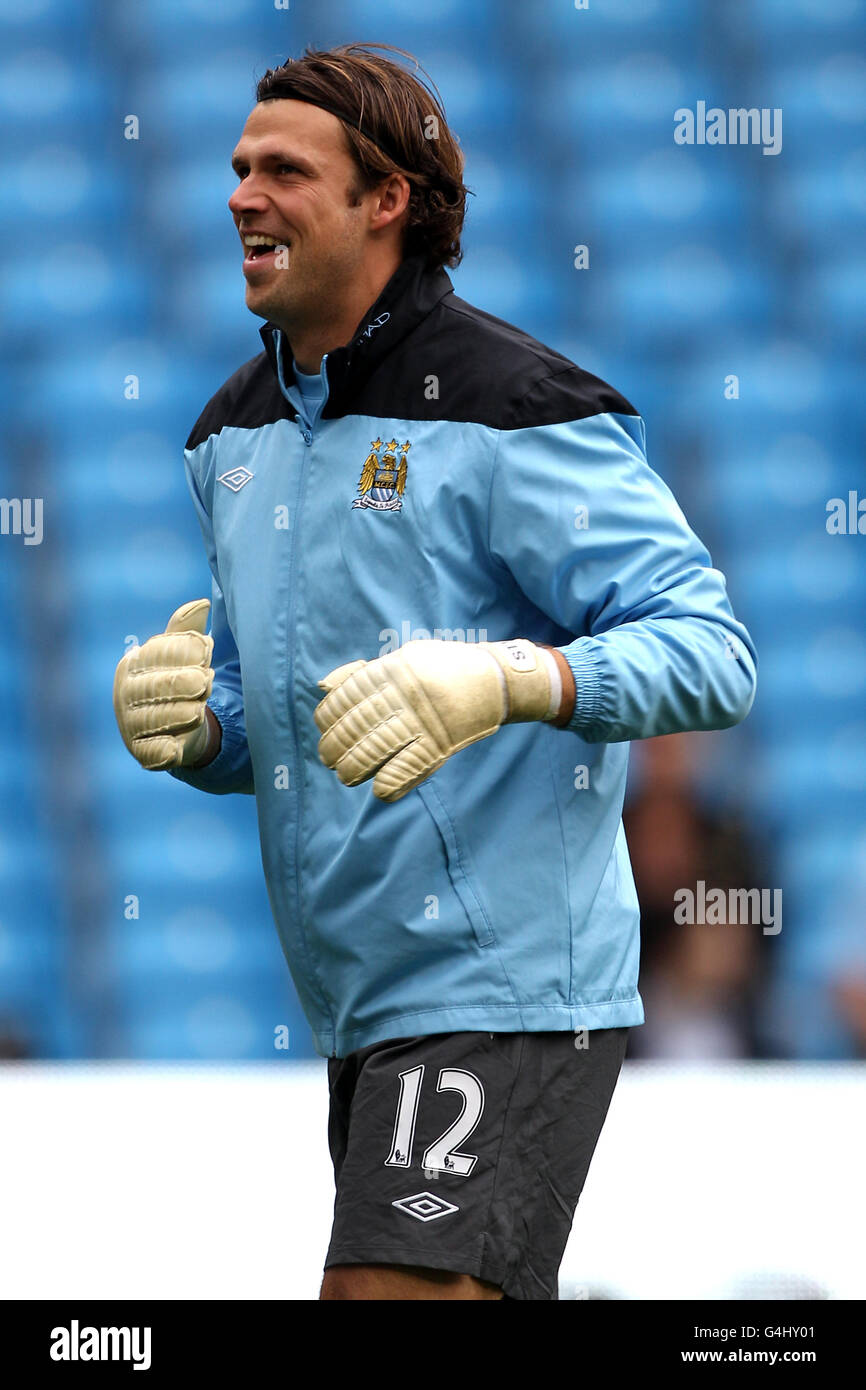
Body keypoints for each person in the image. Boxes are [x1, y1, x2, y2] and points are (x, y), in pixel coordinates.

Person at [112, 43, 757, 1300]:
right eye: (239, 168)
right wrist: (198, 730)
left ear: (386, 200)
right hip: (359, 1005)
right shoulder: (227, 434)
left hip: (501, 988)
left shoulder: (518, 408)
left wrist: (511, 681)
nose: (241, 194)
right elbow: (288, 722)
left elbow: (711, 650)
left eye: (284, 171)